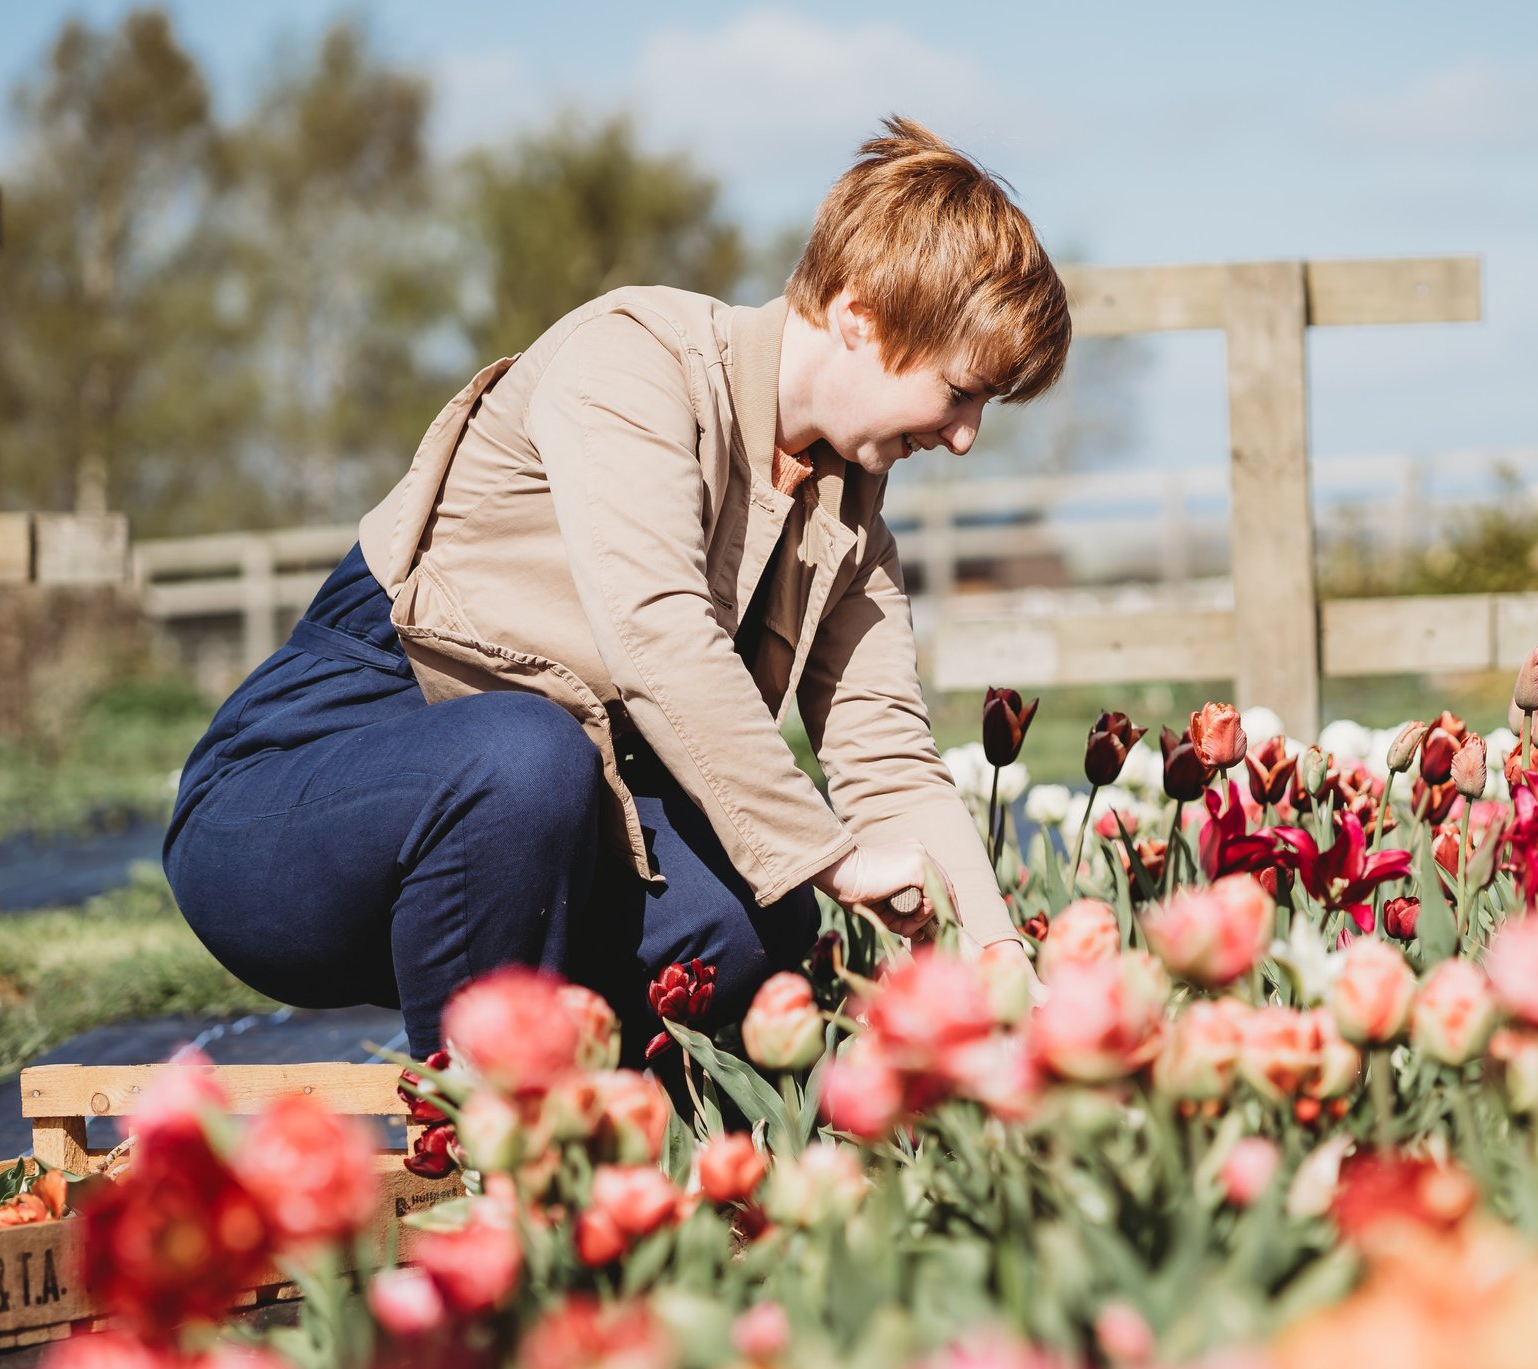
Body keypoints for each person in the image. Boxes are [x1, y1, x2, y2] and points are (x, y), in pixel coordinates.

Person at [164, 118, 1068, 1055]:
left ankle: (628, 1138)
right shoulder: (635, 362)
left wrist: (998, 953)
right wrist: (834, 859)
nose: (965, 436)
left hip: (545, 818)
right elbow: (656, 635)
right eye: (961, 392)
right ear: (860, 314)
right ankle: (487, 1146)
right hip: (300, 793)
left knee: (755, 924)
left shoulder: (849, 529)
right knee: (524, 759)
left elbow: (888, 763)